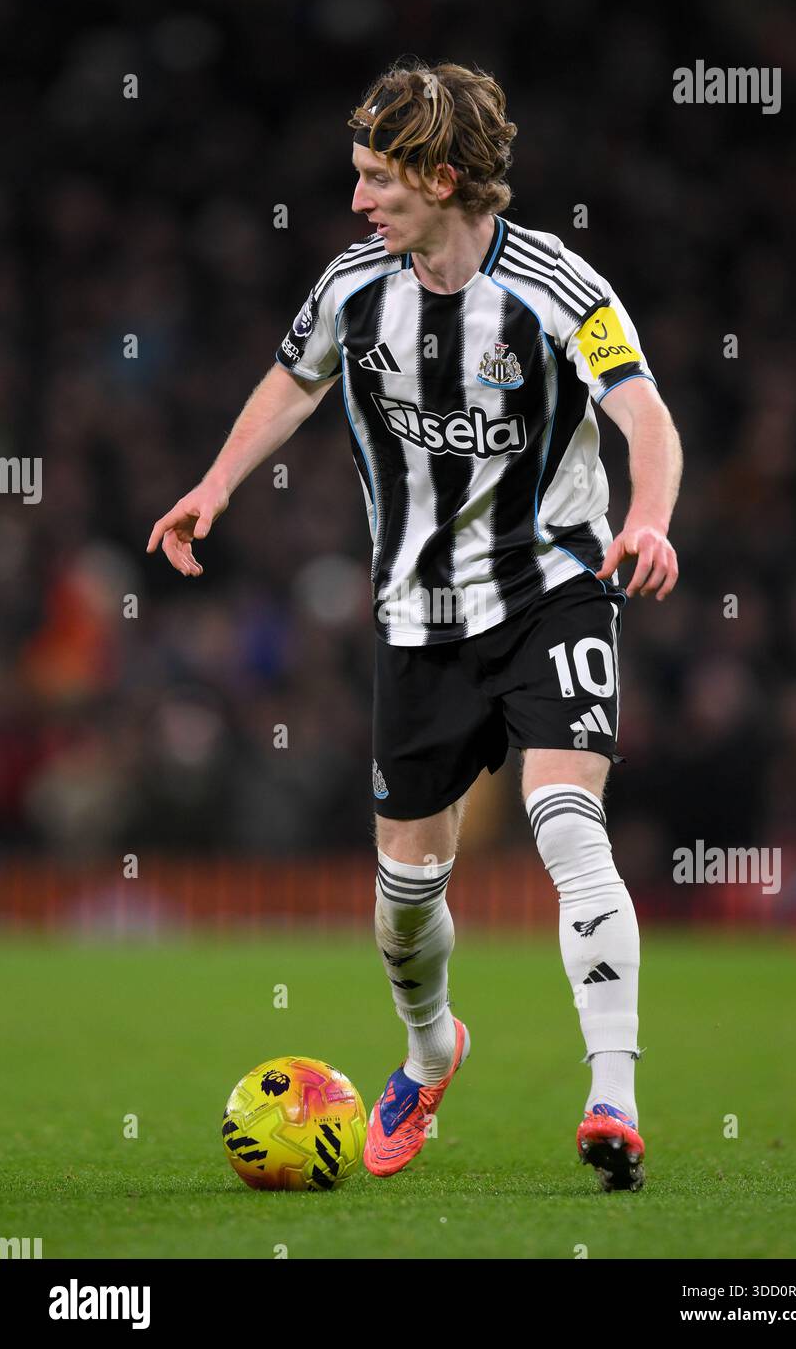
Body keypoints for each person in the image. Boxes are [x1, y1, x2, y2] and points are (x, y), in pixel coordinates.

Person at [147, 59, 682, 1193]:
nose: (356, 202)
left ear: (443, 179)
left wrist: (645, 520)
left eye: (375, 180)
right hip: (415, 620)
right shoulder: (354, 286)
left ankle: (612, 1098)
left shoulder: (558, 287)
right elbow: (291, 381)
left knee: (562, 815)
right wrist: (216, 484)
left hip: (551, 587)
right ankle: (431, 1051)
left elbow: (644, 415)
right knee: (404, 901)